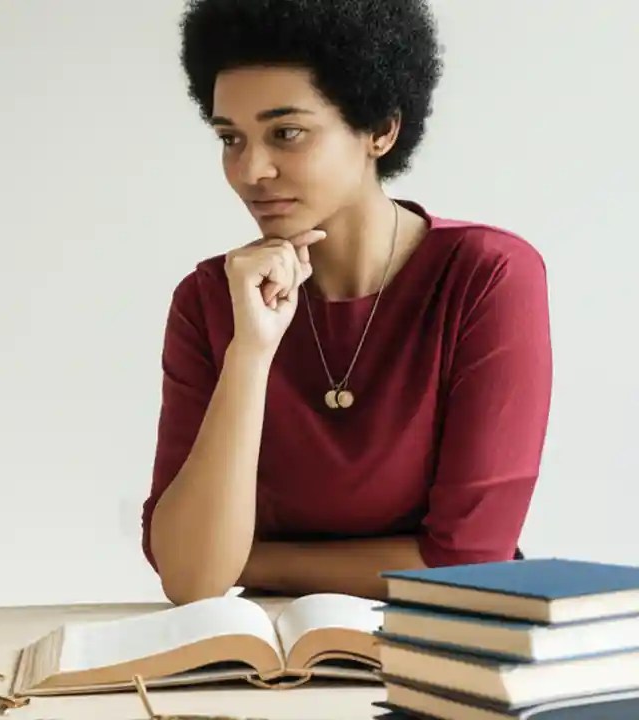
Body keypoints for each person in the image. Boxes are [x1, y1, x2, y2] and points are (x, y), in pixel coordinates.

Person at [140, 0, 553, 604]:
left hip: (441, 645)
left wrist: (248, 560)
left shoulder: (486, 276)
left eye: (287, 133)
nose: (251, 170)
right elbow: (190, 578)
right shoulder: (212, 301)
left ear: (381, 128)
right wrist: (250, 354)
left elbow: (466, 561)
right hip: (263, 659)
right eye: (231, 138)